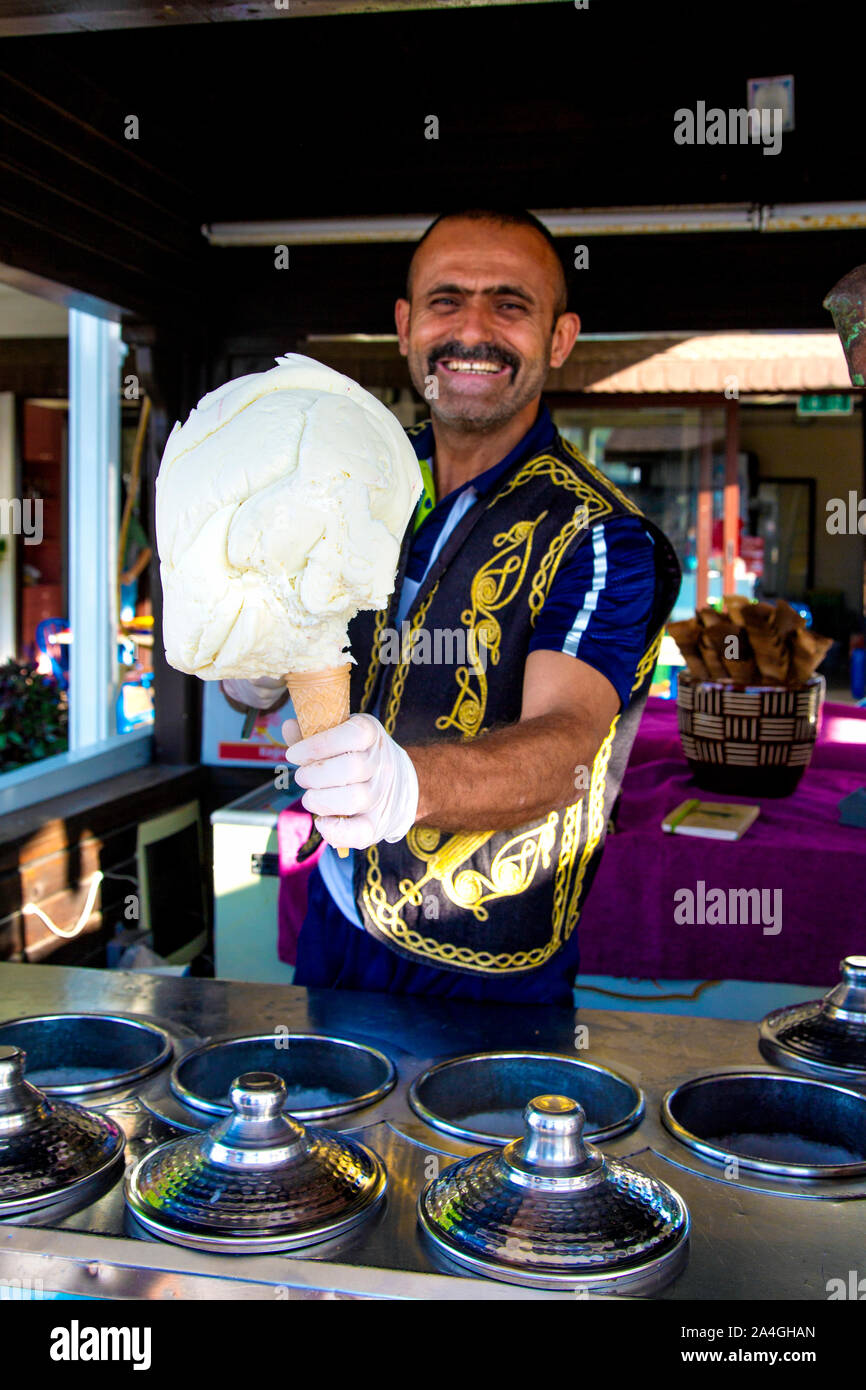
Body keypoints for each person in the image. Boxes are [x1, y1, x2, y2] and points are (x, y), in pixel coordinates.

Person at [228, 209, 681, 1005]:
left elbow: (568, 744)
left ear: (560, 338)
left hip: (488, 959)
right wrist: (250, 668)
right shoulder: (346, 487)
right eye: (446, 301)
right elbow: (275, 655)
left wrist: (405, 783)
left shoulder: (601, 537)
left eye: (510, 304)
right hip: (335, 915)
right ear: (405, 327)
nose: (473, 329)